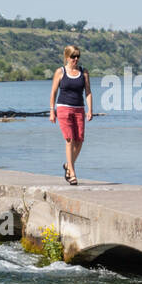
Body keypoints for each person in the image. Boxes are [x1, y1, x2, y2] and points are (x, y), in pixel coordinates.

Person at [49, 45, 92, 184]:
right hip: (63, 108)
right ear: (67, 57)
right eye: (73, 56)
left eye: (78, 56)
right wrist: (52, 111)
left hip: (79, 108)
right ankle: (72, 173)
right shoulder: (60, 72)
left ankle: (68, 164)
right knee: (69, 139)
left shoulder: (84, 72)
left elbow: (88, 92)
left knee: (79, 141)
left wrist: (90, 110)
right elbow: (54, 92)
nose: (76, 59)